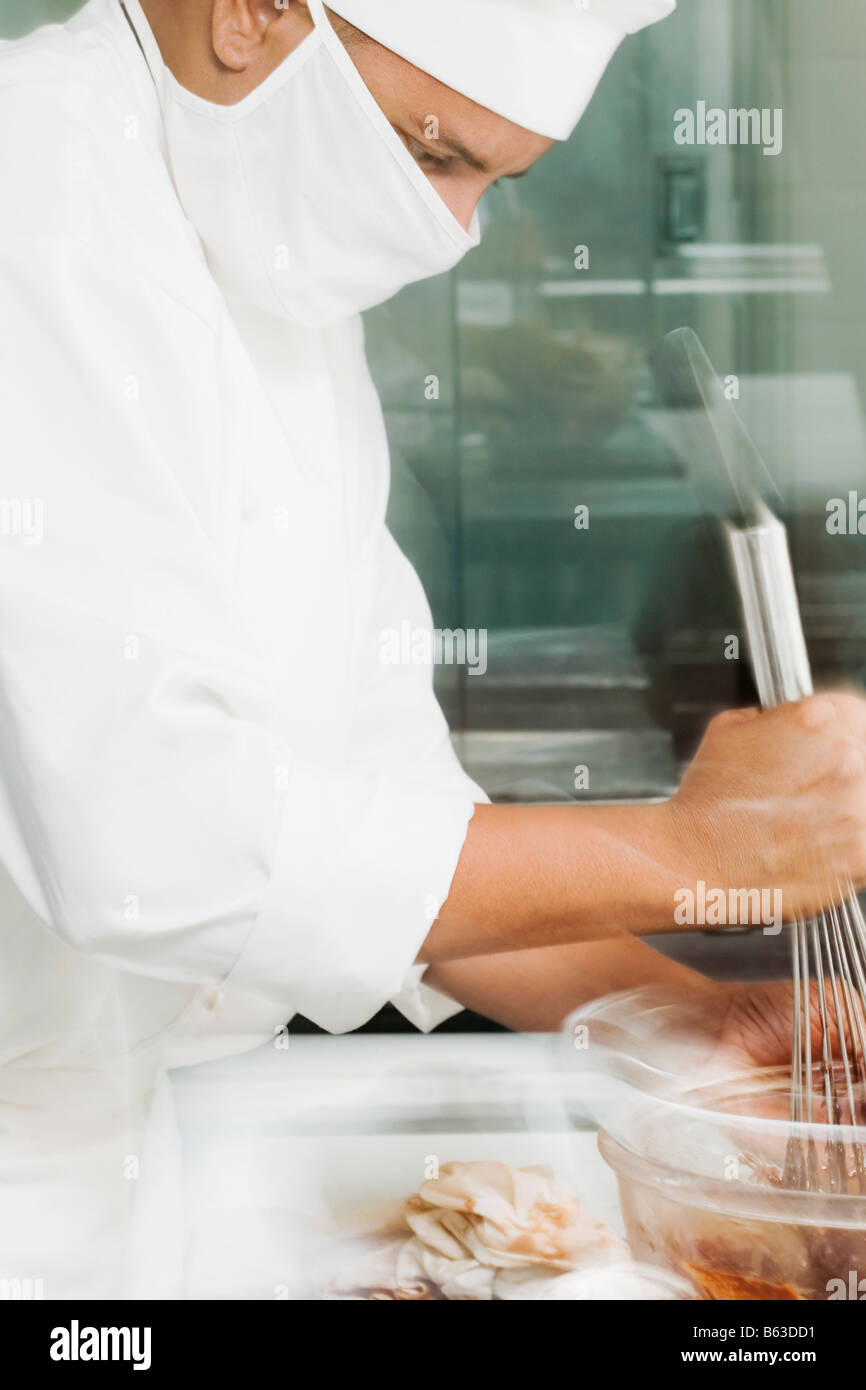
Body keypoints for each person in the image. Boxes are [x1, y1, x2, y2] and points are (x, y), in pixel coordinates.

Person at [1, 0, 865, 1296]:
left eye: (492, 180)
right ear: (254, 13)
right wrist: (686, 857)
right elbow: (151, 839)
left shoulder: (251, 238)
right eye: (433, 152)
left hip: (114, 1159)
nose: (453, 234)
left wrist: (694, 1019)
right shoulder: (37, 193)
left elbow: (377, 815)